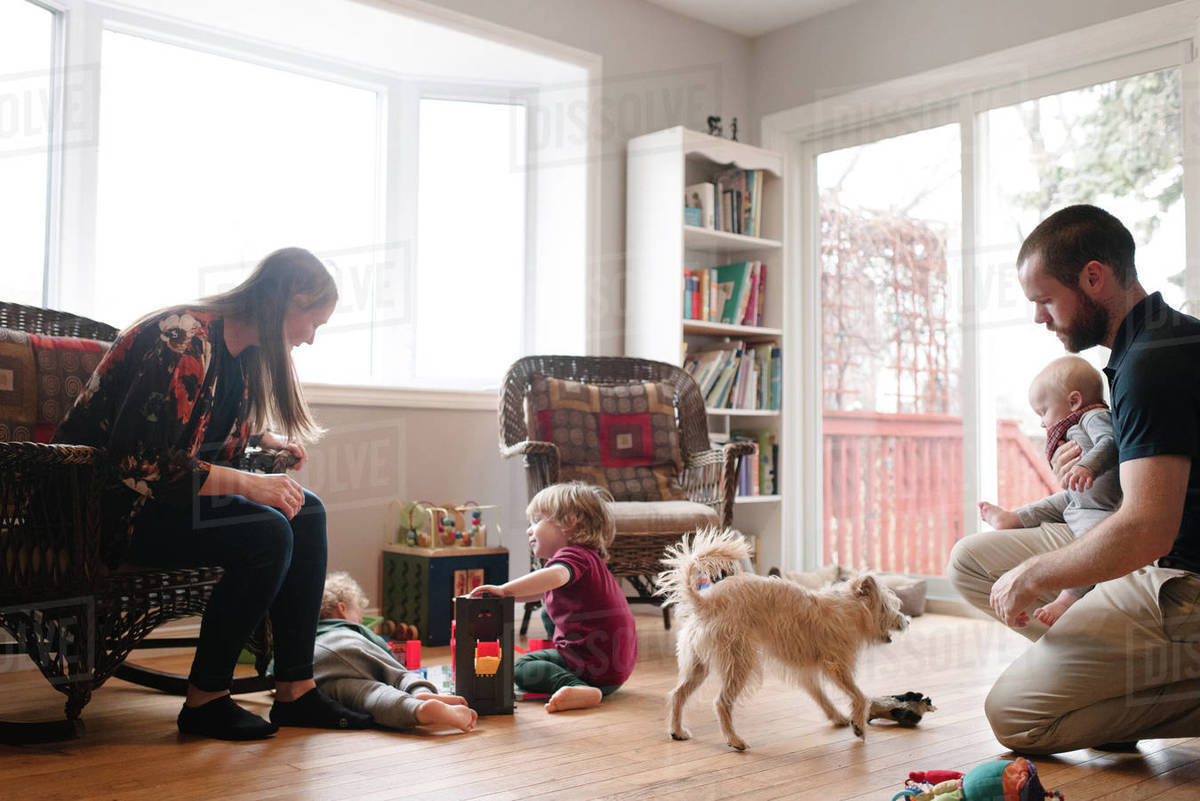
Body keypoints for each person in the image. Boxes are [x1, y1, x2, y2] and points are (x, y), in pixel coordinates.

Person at [54, 247, 371, 740]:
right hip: (102, 512)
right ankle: (206, 699)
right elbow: (141, 461)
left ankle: (296, 690)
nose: (310, 338)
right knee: (266, 532)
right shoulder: (181, 338)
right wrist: (251, 484)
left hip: (160, 504)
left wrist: (263, 442)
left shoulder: (238, 355)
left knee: (306, 512)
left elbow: (201, 438)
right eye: (314, 322)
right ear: (289, 301)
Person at [947, 204, 1200, 755]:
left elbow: (1148, 530)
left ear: (1093, 277)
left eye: (1044, 299)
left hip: (1181, 579)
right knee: (974, 561)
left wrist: (1035, 575)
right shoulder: (1142, 346)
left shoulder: (1154, 362)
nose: (1039, 317)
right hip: (1151, 546)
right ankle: (1108, 677)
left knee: (1017, 719)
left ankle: (1122, 686)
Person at [468, 482, 637, 713]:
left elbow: (555, 576)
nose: (529, 530)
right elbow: (545, 589)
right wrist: (503, 598)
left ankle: (575, 687)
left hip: (592, 667)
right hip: (614, 672)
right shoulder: (588, 559)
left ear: (569, 523)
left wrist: (505, 589)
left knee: (519, 667)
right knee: (548, 607)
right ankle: (581, 684)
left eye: (537, 521)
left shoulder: (572, 556)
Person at [976, 355, 1121, 626]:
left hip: (1103, 509)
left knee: (1091, 542)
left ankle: (1068, 598)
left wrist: (1087, 467)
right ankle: (1012, 518)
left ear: (1074, 401)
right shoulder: (1075, 424)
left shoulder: (1094, 416)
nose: (1043, 423)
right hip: (1081, 499)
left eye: (1043, 411)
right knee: (1051, 503)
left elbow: (1109, 442)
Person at [315, 572, 477, 732]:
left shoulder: (311, 634)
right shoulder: (348, 631)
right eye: (359, 617)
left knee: (371, 697)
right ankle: (420, 694)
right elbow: (384, 651)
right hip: (343, 646)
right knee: (399, 676)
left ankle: (417, 711)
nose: (360, 622)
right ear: (342, 609)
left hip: (319, 669)